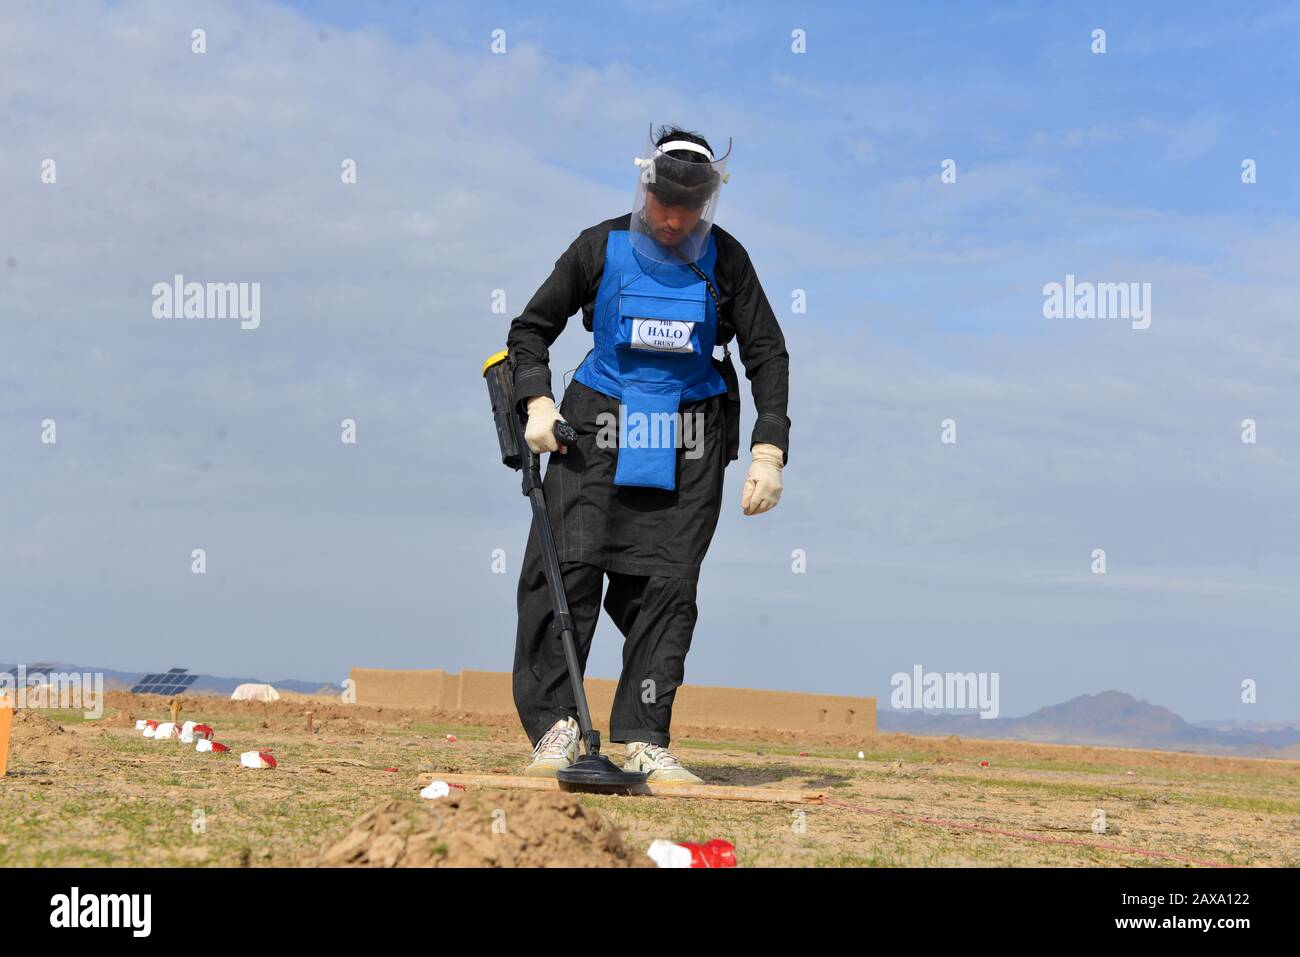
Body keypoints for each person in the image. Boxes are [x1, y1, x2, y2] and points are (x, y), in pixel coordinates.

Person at [506, 125, 791, 783]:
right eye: (664, 205)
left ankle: (641, 736)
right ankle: (556, 730)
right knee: (564, 573)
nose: (672, 220)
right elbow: (530, 329)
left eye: (688, 209)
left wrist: (769, 448)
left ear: (706, 204)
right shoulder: (599, 247)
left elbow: (766, 352)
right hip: (593, 429)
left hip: (689, 441)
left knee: (668, 586)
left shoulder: (727, 261)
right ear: (646, 190)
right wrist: (537, 403)